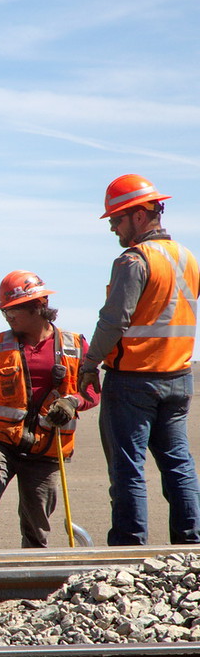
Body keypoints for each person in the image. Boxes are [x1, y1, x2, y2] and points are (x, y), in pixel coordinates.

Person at [78, 174, 200, 545]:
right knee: (179, 466)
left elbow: (114, 320)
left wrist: (89, 363)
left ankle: (129, 550)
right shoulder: (187, 257)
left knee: (128, 469)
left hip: (134, 379)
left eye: (116, 219)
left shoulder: (135, 260)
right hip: (179, 377)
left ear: (139, 215)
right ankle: (192, 547)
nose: (113, 227)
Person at [0, 272, 98, 549]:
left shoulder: (75, 345)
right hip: (0, 443)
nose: (8, 316)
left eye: (13, 309)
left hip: (47, 451)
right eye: (5, 311)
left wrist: (72, 403)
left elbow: (92, 392)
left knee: (37, 524)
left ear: (38, 306)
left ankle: (32, 583)